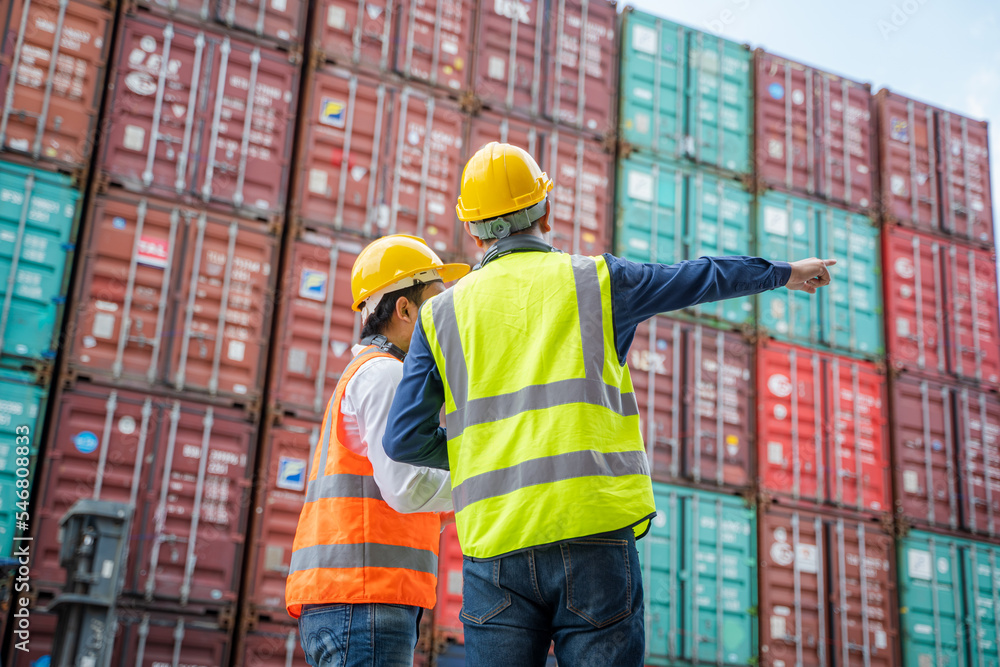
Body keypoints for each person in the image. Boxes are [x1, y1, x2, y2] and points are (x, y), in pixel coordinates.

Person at [382, 143, 836, 666]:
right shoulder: (597, 280)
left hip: (496, 548)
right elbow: (701, 275)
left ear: (474, 231)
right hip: (594, 537)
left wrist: (479, 456)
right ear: (546, 212)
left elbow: (404, 439)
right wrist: (785, 272)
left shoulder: (439, 315)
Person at [286, 235, 469, 667]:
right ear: (405, 310)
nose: (446, 320)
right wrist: (488, 481)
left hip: (358, 599)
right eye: (435, 306)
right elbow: (406, 487)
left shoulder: (368, 373)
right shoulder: (386, 376)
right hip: (364, 600)